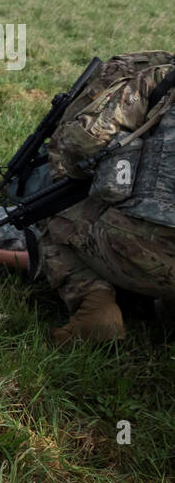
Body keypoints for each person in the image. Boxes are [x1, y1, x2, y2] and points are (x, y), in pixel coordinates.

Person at [39, 51, 175, 344]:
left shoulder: (161, 78)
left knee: (55, 213)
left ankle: (95, 308)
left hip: (151, 252)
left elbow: (81, 143)